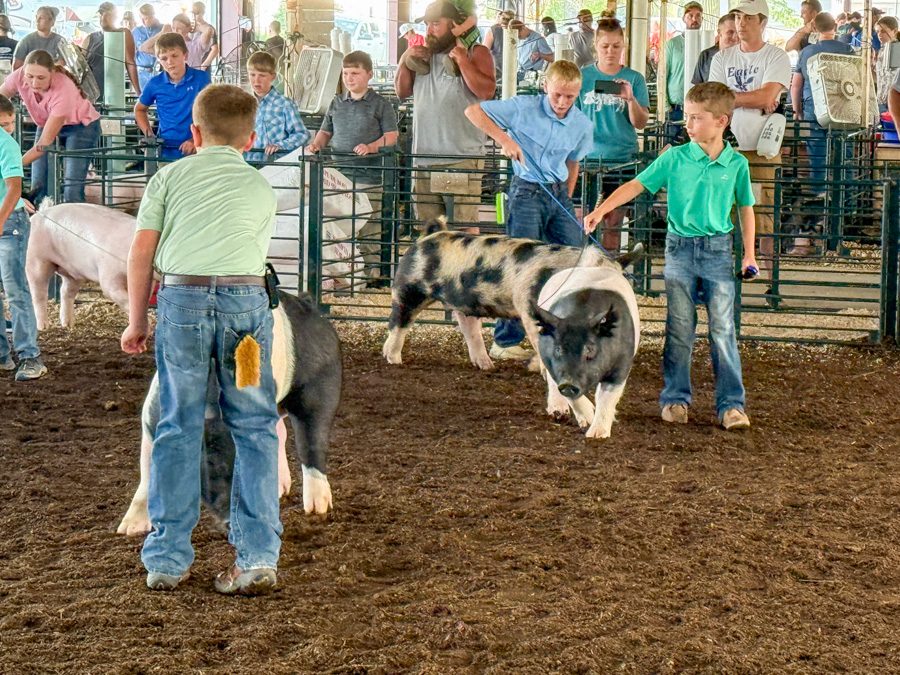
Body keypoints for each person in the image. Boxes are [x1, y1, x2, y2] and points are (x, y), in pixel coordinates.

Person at [121, 84, 282, 596]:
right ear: (251, 138)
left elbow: (140, 254)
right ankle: (256, 556)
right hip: (247, 319)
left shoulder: (168, 178)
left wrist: (136, 321)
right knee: (256, 424)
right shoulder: (261, 188)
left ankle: (167, 557)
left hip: (182, 306)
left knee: (177, 423)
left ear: (193, 132)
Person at [585, 82, 757, 431]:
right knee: (680, 330)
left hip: (718, 250)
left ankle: (731, 405)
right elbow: (636, 185)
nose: (688, 125)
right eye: (687, 117)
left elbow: (746, 209)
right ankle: (675, 399)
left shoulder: (737, 164)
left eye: (696, 118)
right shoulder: (674, 158)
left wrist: (749, 254)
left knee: (723, 331)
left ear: (721, 121)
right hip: (680, 248)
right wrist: (602, 209)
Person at [464, 60, 593, 361]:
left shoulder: (582, 125)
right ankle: (506, 341)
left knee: (574, 256)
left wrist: (567, 200)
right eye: (557, 94)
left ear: (578, 93)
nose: (562, 102)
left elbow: (574, 162)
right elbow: (473, 111)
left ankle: (563, 334)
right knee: (521, 264)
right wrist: (505, 139)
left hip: (558, 192)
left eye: (569, 97)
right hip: (526, 190)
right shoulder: (522, 107)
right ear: (545, 86)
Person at [709, 0, 790, 288]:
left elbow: (766, 94)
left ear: (763, 22)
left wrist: (732, 100)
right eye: (738, 16)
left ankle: (769, 281)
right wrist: (754, 98)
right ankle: (726, 277)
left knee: (764, 215)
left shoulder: (776, 57)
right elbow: (714, 99)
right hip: (725, 149)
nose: (741, 23)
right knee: (722, 214)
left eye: (748, 18)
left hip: (762, 150)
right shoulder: (721, 58)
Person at [395, 0, 495, 229]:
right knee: (428, 230)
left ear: (453, 25)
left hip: (462, 157)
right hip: (423, 158)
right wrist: (404, 60)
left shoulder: (476, 52)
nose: (429, 29)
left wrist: (461, 60)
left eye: (436, 24)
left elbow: (486, 91)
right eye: (427, 24)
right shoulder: (421, 56)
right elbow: (401, 91)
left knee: (464, 229)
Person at [307, 51, 398, 283]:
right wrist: (316, 144)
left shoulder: (381, 105)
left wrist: (372, 146)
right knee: (339, 228)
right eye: (346, 73)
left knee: (369, 229)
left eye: (355, 73)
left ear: (369, 74)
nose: (349, 78)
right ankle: (346, 278)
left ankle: (374, 278)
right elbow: (326, 131)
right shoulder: (336, 103)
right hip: (339, 176)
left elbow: (392, 136)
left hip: (370, 177)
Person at [577, 18, 650, 251]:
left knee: (612, 222)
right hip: (586, 160)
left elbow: (640, 122)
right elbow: (571, 118)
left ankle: (607, 273)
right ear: (596, 46)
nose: (610, 51)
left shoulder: (635, 78)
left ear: (623, 46)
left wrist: (631, 100)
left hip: (621, 160)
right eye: (605, 45)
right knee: (580, 219)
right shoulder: (582, 77)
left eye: (616, 46)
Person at [0, 50, 100, 203]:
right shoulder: (18, 76)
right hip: (46, 122)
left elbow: (43, 144)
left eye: (41, 78)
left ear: (52, 73)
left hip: (81, 126)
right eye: (30, 76)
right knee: (37, 186)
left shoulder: (64, 89)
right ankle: (37, 223)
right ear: (23, 71)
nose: (34, 83)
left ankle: (73, 222)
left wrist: (12, 167)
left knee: (71, 188)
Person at [0, 94, 47, 381]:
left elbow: (14, 189)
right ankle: (3, 355)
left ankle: (31, 356)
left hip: (9, 223)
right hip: (7, 220)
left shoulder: (6, 144)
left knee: (15, 289)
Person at [790, 13, 854, 192]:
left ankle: (819, 195)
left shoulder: (807, 52)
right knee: (844, 153)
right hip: (843, 106)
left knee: (817, 154)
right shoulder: (848, 49)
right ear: (835, 27)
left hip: (815, 106)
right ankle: (846, 198)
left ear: (815, 29)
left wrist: (797, 110)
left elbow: (796, 85)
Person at [135, 32, 211, 159]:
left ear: (185, 55)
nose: (170, 62)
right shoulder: (155, 84)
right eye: (164, 58)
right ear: (158, 60)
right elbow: (139, 109)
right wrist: (149, 135)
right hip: (166, 150)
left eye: (175, 56)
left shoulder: (201, 79)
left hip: (197, 150)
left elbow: (212, 113)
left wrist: (195, 139)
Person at [245, 51, 309, 161]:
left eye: (262, 76)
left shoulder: (284, 105)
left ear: (273, 77)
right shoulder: (243, 103)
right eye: (252, 75)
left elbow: (302, 135)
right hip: (247, 165)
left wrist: (281, 145)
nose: (256, 80)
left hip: (275, 165)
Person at [82, 2, 141, 98]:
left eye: (108, 15)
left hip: (114, 91)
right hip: (92, 92)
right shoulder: (90, 38)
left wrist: (138, 93)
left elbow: (130, 63)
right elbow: (81, 66)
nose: (103, 18)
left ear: (115, 17)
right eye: (101, 14)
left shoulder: (124, 33)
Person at [666, 2, 703, 142]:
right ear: (684, 18)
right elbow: (663, 74)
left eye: (698, 15)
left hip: (701, 107)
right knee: (673, 146)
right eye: (691, 15)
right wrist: (665, 106)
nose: (694, 19)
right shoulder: (672, 45)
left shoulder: (706, 42)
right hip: (676, 107)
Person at [140, 14, 209, 71]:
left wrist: (196, 27)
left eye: (179, 29)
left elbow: (208, 30)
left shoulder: (196, 44)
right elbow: (143, 48)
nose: (175, 31)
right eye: (173, 28)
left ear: (188, 28)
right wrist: (161, 33)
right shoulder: (167, 47)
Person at [693, 13, 738, 85]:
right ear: (719, 32)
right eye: (730, 32)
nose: (735, 36)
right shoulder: (705, 56)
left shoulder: (745, 55)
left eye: (738, 32)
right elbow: (698, 87)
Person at [133, 4, 163, 91]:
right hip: (142, 72)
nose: (143, 21)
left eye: (146, 18)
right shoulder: (136, 32)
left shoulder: (161, 29)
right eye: (140, 18)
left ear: (152, 16)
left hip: (158, 70)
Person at [876, 16, 899, 113]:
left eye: (883, 31)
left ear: (895, 31)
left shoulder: (896, 49)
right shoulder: (882, 50)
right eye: (878, 32)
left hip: (893, 102)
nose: (880, 34)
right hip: (881, 100)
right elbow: (880, 77)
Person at [482, 8, 514, 74]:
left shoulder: (515, 30)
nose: (504, 27)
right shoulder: (493, 30)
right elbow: (484, 51)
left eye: (507, 25)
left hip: (512, 67)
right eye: (503, 25)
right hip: (496, 68)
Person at [191, 2, 219, 68]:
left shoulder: (209, 28)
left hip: (202, 65)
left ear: (202, 13)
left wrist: (203, 66)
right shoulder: (190, 27)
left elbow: (215, 49)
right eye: (193, 13)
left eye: (196, 13)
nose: (194, 15)